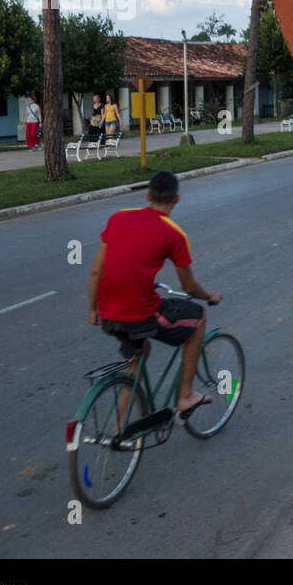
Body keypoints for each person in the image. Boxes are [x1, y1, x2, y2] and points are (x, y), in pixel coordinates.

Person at [87, 171, 222, 416]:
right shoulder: (173, 234)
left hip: (107, 313)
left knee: (139, 356)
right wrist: (210, 295)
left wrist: (92, 309)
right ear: (177, 199)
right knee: (198, 317)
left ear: (147, 195)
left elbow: (96, 270)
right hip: (140, 314)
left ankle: (120, 427)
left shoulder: (118, 217)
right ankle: (186, 396)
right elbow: (190, 287)